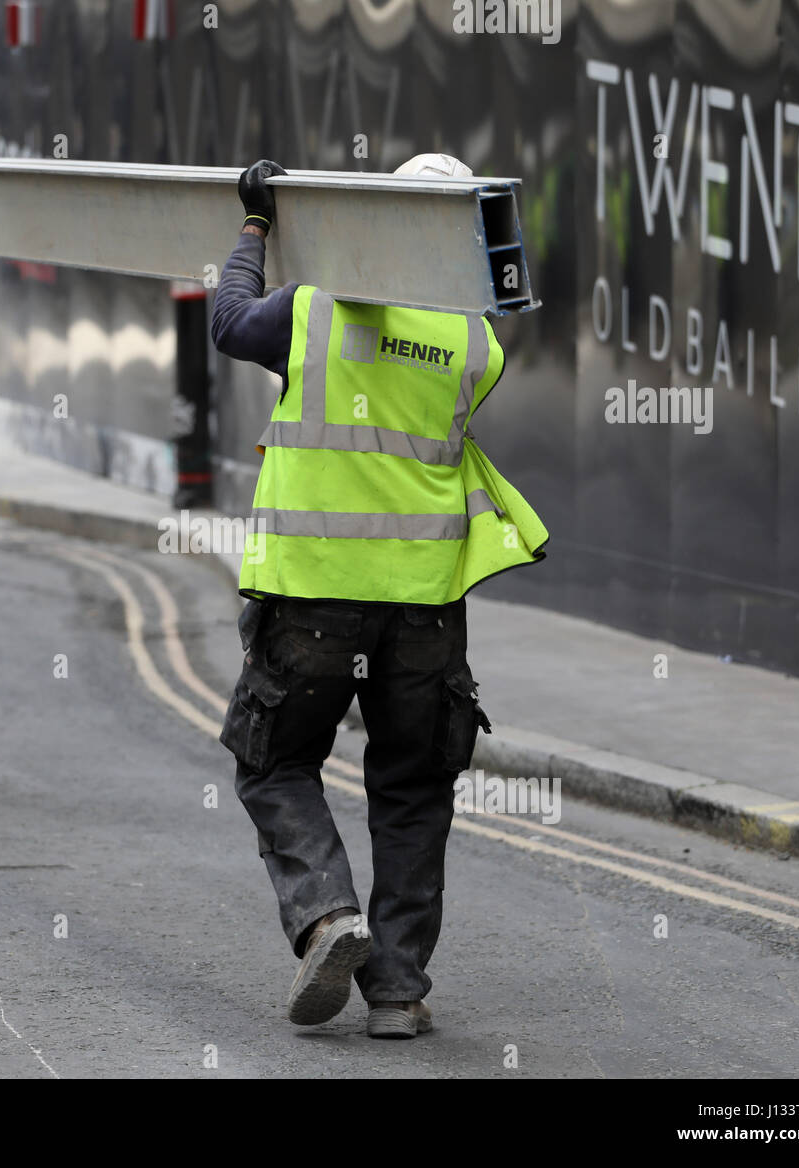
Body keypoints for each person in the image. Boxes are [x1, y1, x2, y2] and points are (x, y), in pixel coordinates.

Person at [211, 154, 548, 1037]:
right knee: (412, 786)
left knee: (274, 761)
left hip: (313, 595)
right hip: (424, 609)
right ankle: (397, 991)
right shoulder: (480, 345)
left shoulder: (314, 309)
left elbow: (230, 322)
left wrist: (257, 228)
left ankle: (328, 916)